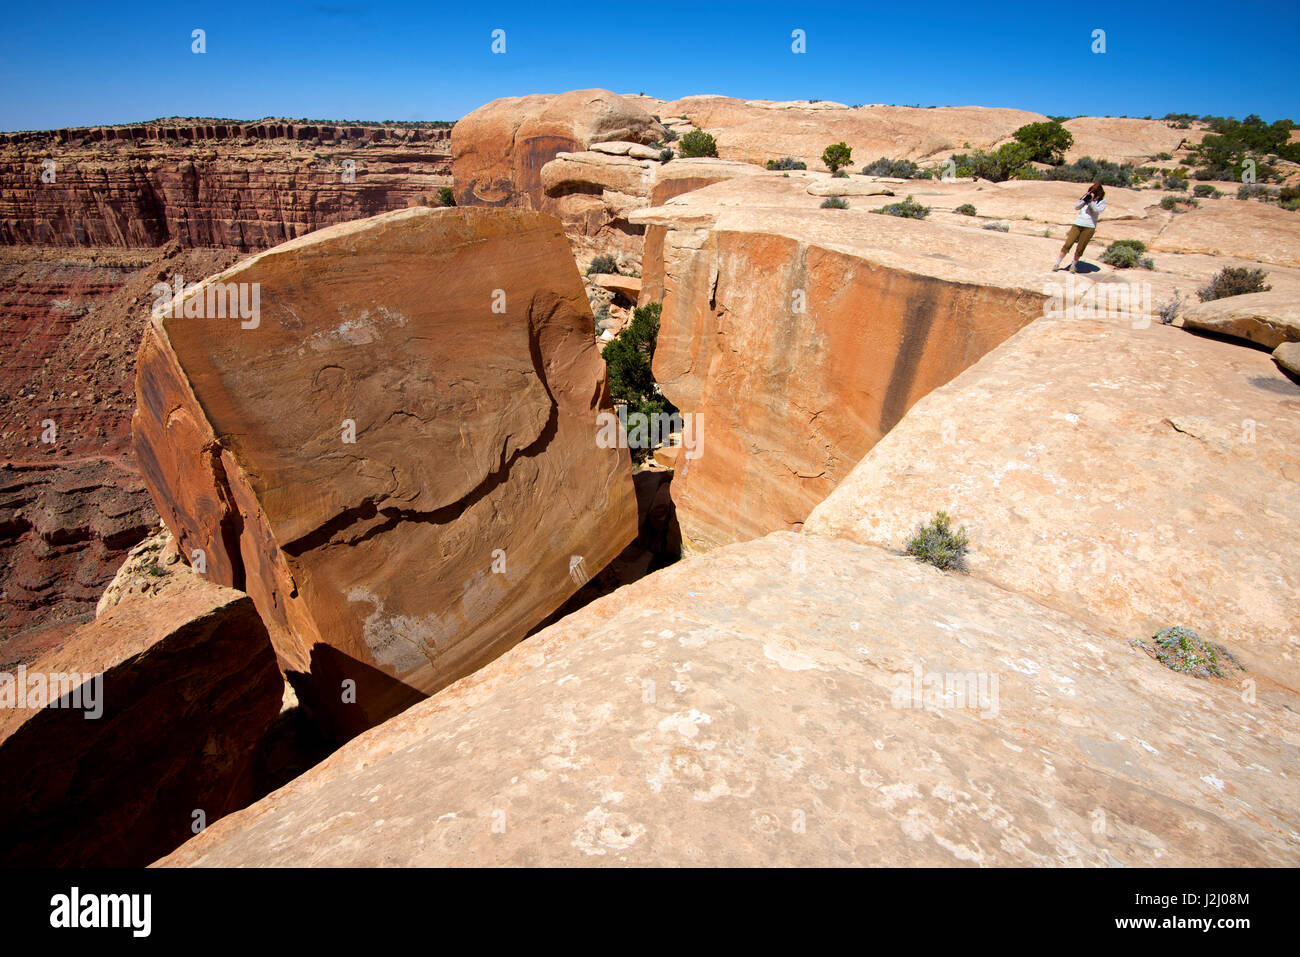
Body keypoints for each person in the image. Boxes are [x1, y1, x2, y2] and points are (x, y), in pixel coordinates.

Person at [1054, 183, 1107, 272]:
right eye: (1091, 191)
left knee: (1080, 247)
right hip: (1078, 223)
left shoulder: (1102, 201)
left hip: (1089, 226)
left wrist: (1091, 201)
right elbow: (1076, 207)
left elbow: (1096, 211)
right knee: (1068, 244)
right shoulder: (1086, 198)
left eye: (1094, 191)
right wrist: (1084, 199)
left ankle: (1073, 265)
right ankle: (1057, 263)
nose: (1091, 193)